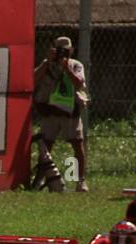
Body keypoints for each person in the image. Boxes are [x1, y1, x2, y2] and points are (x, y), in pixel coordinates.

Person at [33, 36, 89, 193]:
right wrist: (46, 62)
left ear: (71, 51)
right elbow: (32, 80)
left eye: (66, 51)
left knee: (77, 144)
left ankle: (80, 180)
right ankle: (40, 178)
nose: (62, 53)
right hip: (50, 110)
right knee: (46, 145)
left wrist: (66, 68)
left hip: (70, 111)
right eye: (59, 50)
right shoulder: (47, 65)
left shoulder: (76, 65)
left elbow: (79, 83)